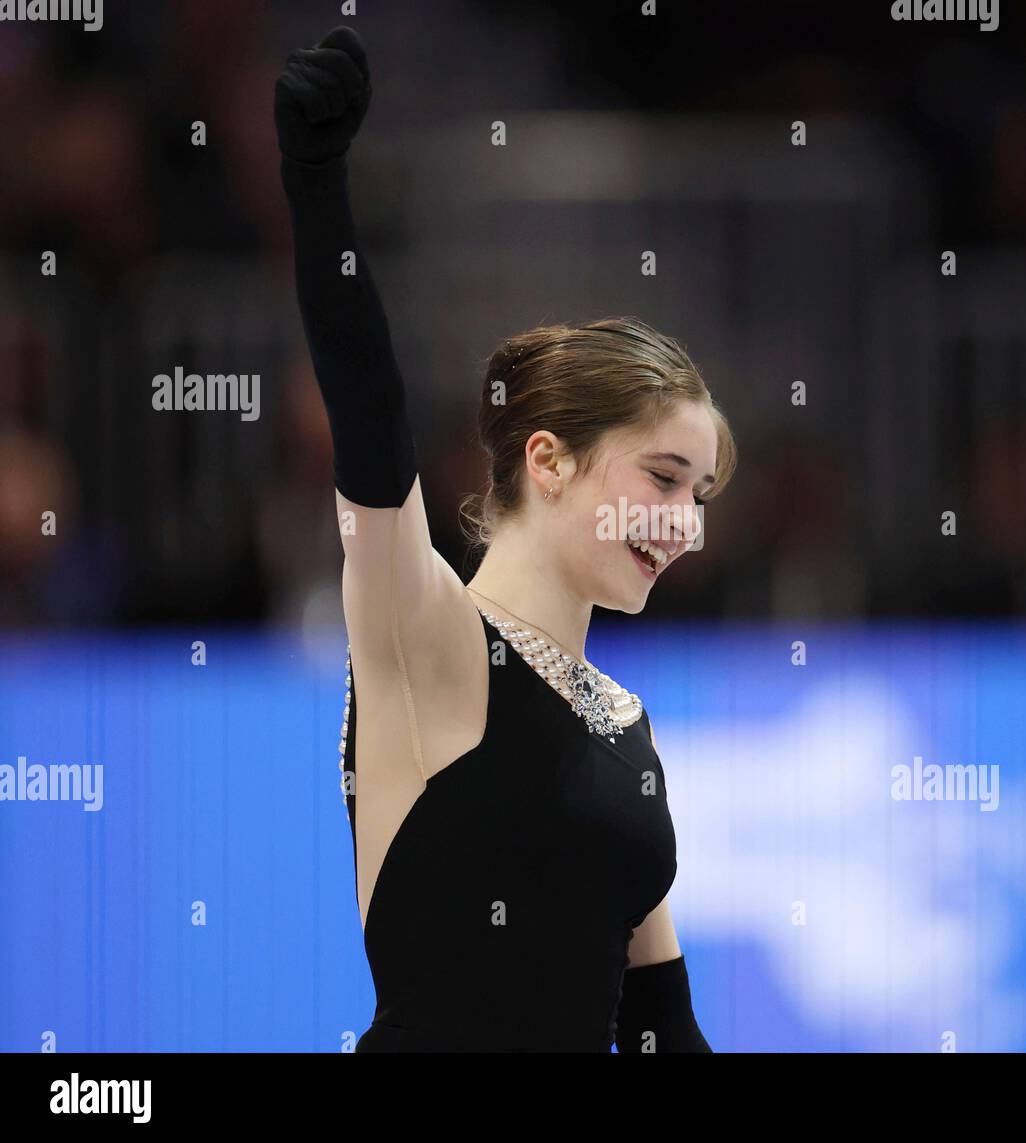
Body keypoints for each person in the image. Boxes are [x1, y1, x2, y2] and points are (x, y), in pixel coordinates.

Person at [274, 25, 735, 1052]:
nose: (687, 524)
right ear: (549, 458)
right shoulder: (427, 638)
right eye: (663, 477)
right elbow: (369, 416)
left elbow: (663, 1029)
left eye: (700, 494)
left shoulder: (629, 730)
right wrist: (316, 183)